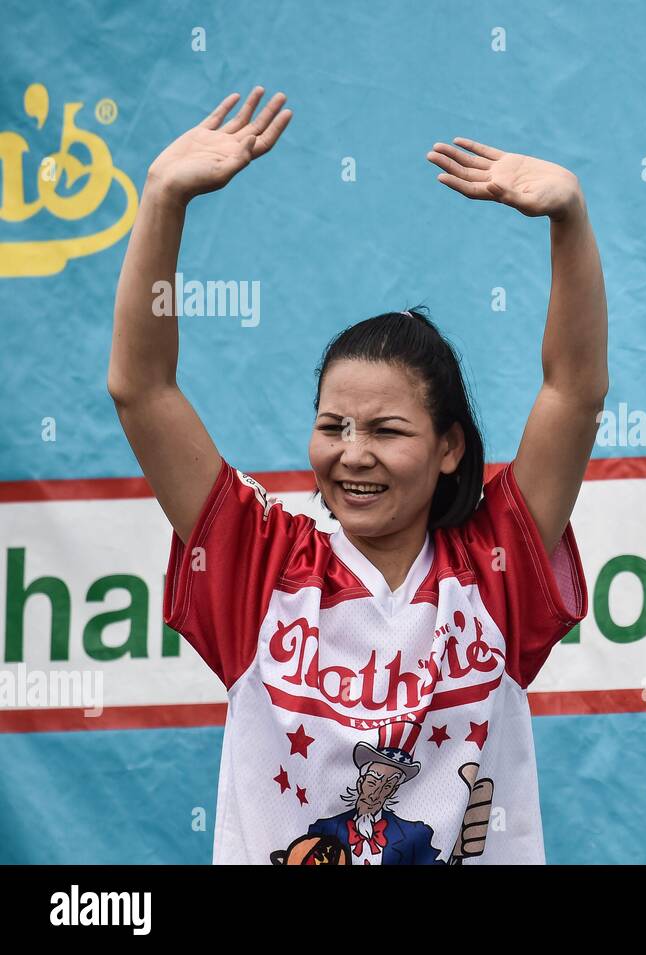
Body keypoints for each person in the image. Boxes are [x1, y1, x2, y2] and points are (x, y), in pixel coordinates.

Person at [108, 86, 607, 864]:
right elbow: (144, 390)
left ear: (450, 447)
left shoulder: (496, 561)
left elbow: (574, 392)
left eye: (386, 429)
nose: (352, 453)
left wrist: (568, 221)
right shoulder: (259, 560)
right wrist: (162, 201)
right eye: (332, 426)